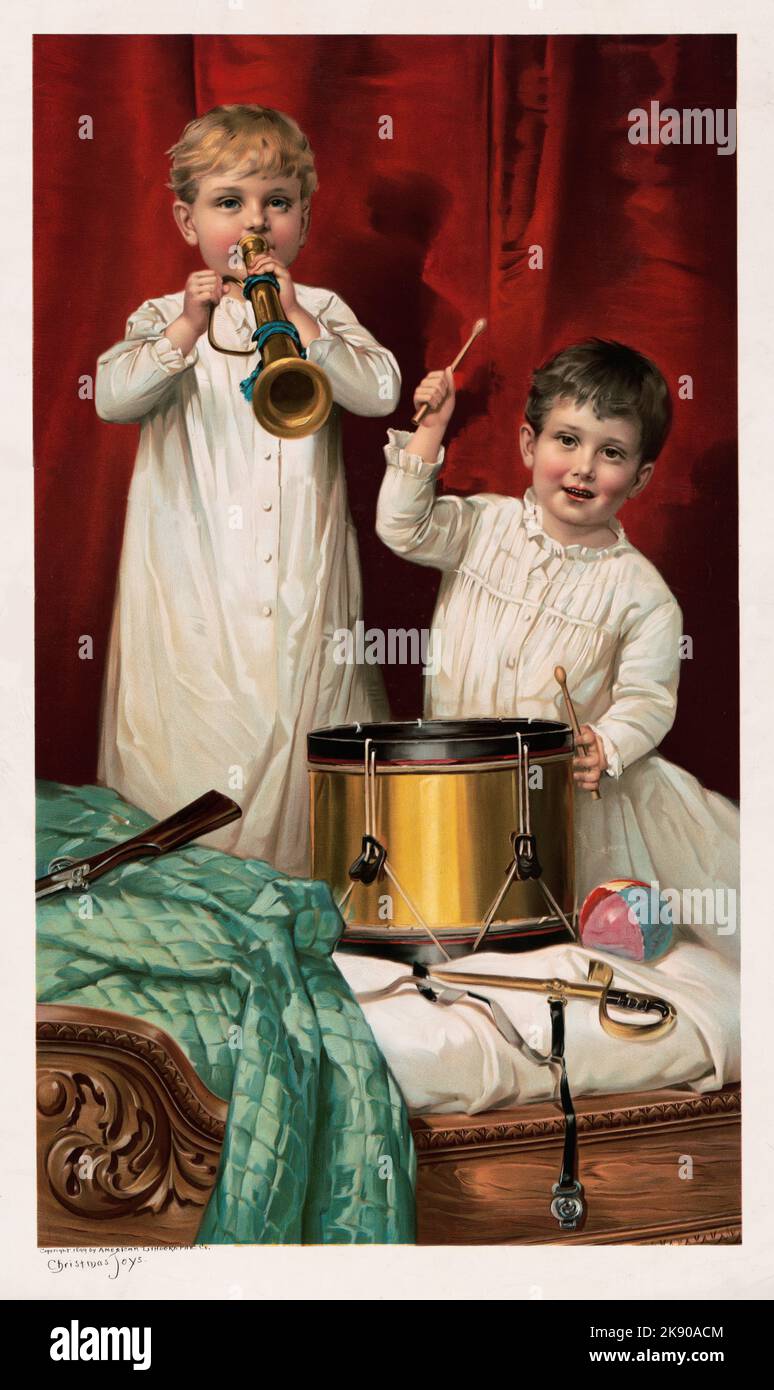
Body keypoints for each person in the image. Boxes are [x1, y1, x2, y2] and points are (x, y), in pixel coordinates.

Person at [96, 104, 398, 876]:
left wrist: (295, 316)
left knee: (297, 713)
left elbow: (381, 392)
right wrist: (187, 328)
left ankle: (302, 890)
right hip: (193, 575)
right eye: (229, 203)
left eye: (277, 203)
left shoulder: (319, 309)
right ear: (186, 219)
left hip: (299, 564)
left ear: (304, 216)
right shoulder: (167, 314)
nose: (254, 222)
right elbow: (112, 397)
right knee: (198, 727)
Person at [376, 340, 739, 956]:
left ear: (641, 477)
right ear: (528, 445)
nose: (584, 467)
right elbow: (401, 526)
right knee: (447, 915)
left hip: (557, 801)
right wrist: (429, 432)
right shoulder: (480, 526)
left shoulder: (642, 593)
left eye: (612, 453)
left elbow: (648, 697)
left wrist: (610, 741)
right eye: (566, 441)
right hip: (457, 780)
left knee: (552, 929)